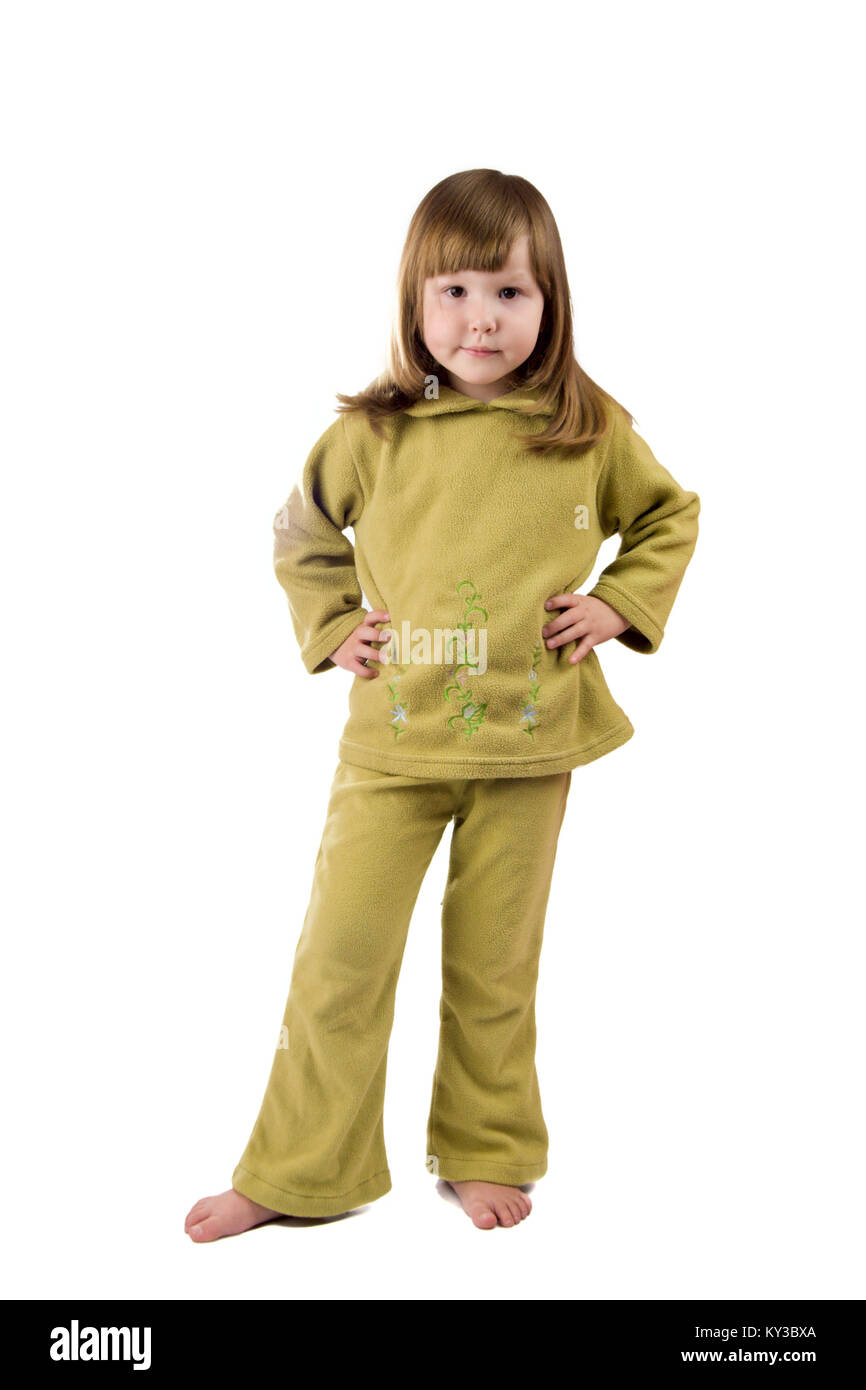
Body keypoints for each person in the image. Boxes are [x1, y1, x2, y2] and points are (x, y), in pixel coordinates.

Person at [185, 168, 700, 1238]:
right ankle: (299, 1168)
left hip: (531, 739)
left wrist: (616, 604)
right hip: (391, 745)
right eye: (454, 292)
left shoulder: (585, 427)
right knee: (340, 958)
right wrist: (333, 627)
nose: (481, 319)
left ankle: (483, 1146)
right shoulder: (373, 433)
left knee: (494, 966)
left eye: (510, 293)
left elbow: (667, 516)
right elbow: (299, 534)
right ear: (414, 303)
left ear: (549, 303)